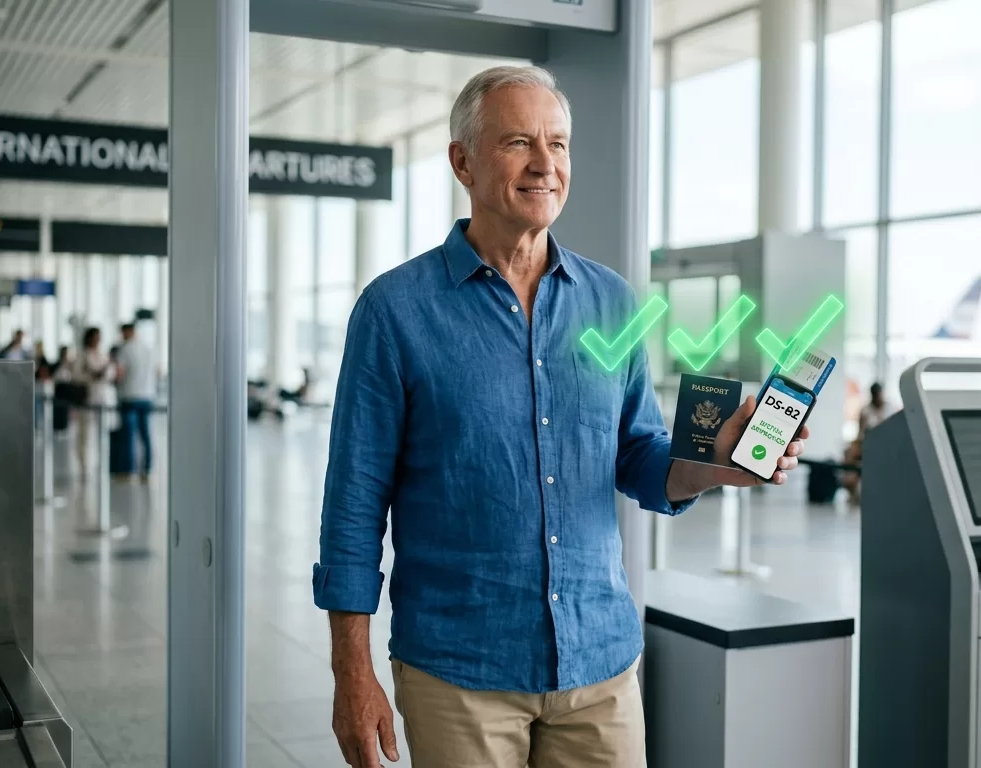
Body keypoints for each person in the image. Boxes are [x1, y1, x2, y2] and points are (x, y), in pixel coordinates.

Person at [317, 65, 809, 768]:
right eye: (519, 142)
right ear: (463, 161)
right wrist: (352, 674)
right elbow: (353, 506)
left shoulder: (612, 303)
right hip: (460, 672)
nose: (546, 163)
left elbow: (639, 460)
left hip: (599, 668)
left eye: (560, 143)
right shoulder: (396, 312)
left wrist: (717, 465)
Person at [114, 323, 157, 482]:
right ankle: (147, 469)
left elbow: (119, 373)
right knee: (146, 434)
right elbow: (157, 371)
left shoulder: (124, 349)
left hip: (129, 396)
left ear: (127, 332)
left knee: (129, 435)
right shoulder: (149, 349)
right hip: (147, 396)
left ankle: (128, 470)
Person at [71, 327, 114, 478]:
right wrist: (91, 376)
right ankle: (84, 467)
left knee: (103, 433)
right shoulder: (82, 355)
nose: (97, 340)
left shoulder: (103, 355)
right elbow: (76, 376)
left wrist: (102, 374)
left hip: (102, 398)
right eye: (94, 337)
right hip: (87, 398)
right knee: (85, 434)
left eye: (98, 337)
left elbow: (110, 374)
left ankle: (102, 465)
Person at [841, 382, 893, 504]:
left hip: (886, 446)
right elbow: (860, 433)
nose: (877, 397)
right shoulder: (865, 410)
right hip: (867, 444)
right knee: (849, 455)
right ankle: (851, 487)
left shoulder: (889, 409)